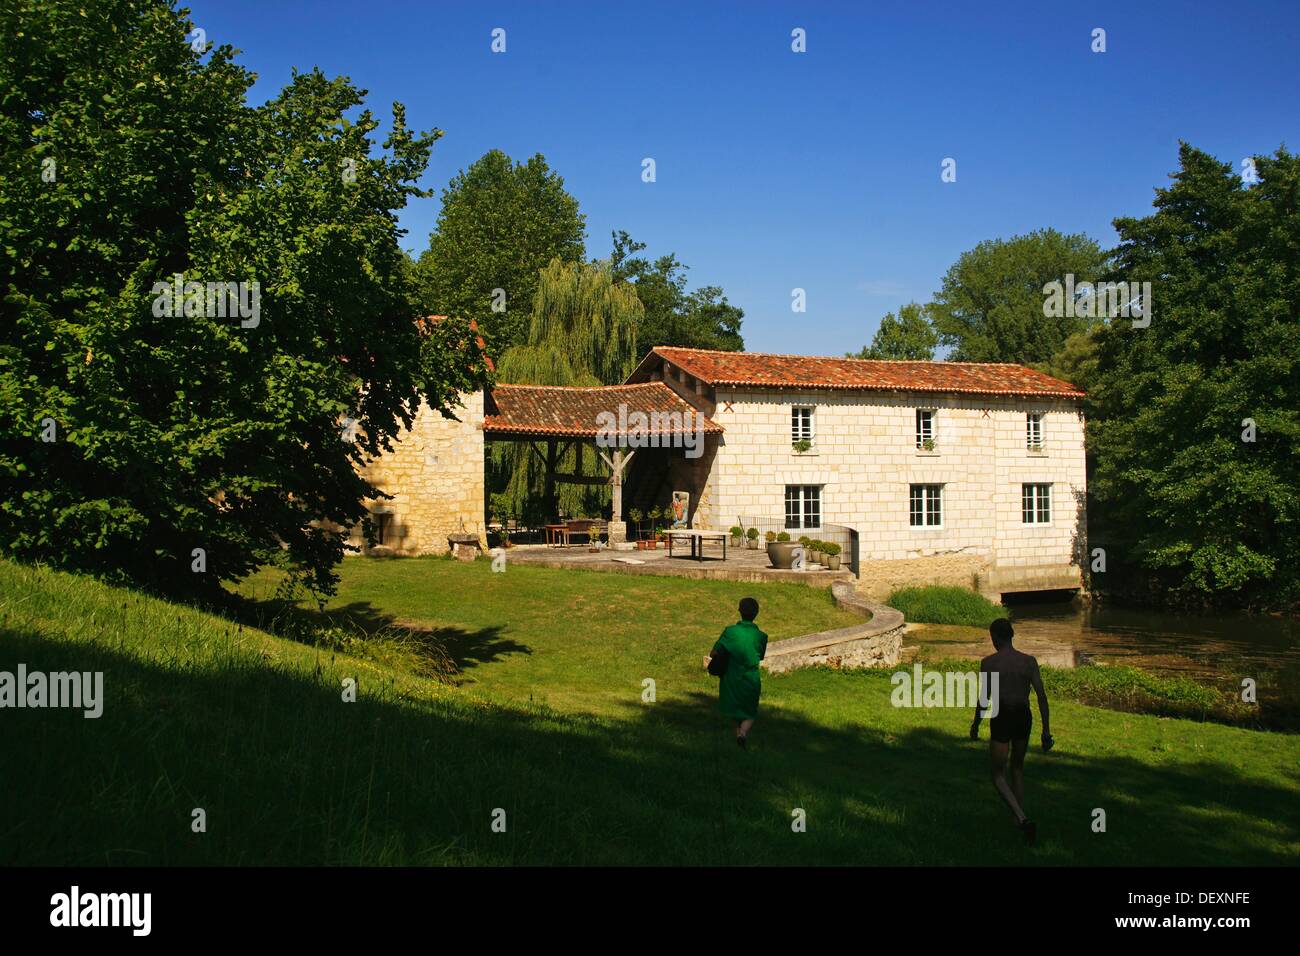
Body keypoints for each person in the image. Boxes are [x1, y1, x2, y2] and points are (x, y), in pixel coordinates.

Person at [970, 617, 1053, 845]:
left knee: (997, 774)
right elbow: (1042, 698)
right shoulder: (1029, 662)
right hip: (1023, 717)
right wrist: (1046, 731)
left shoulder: (989, 663)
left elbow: (984, 700)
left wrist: (976, 724)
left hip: (1002, 716)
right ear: (1012, 635)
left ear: (995, 638)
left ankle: (1022, 817)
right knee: (1017, 767)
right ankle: (1017, 818)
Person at [705, 597, 768, 747]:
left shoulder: (730, 632)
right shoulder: (761, 637)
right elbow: (760, 656)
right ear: (757, 613)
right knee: (750, 711)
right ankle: (743, 733)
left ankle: (738, 732)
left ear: (739, 611)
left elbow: (713, 652)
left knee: (734, 708)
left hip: (731, 677)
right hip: (751, 678)